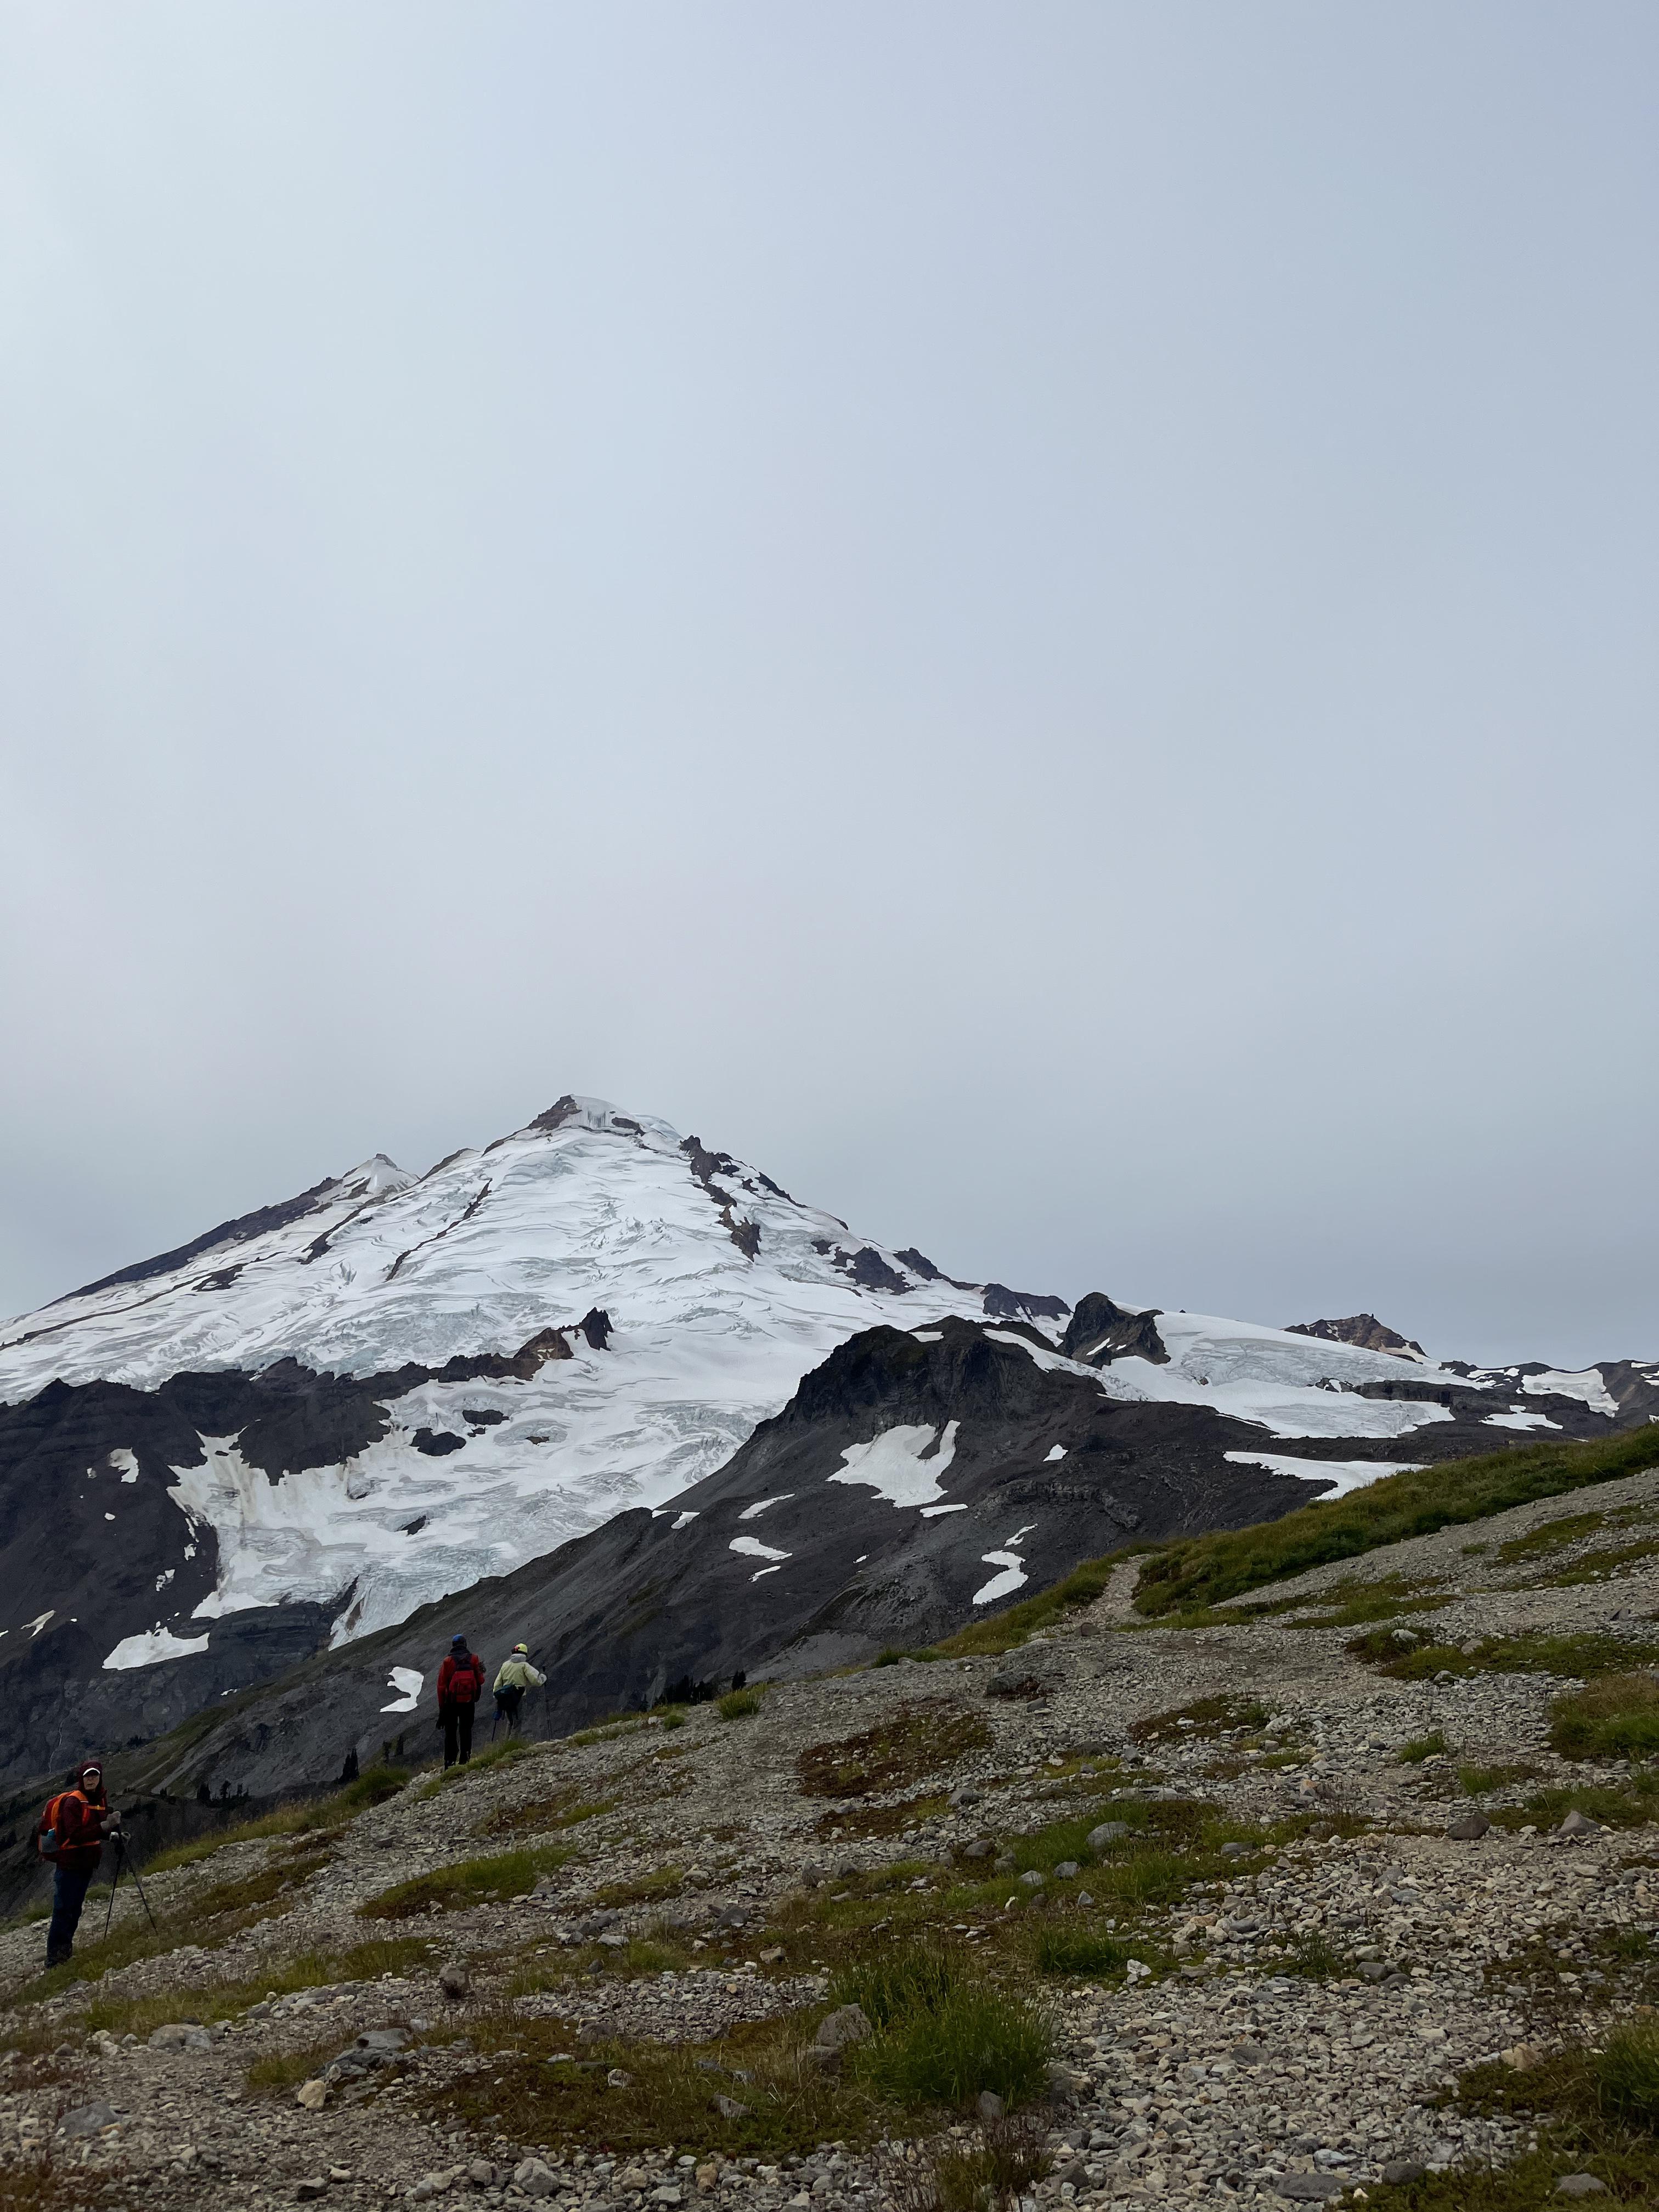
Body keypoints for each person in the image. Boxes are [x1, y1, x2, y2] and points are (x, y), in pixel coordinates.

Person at [38, 1760, 119, 1968]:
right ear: (81, 1779)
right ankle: (54, 1961)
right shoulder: (74, 1802)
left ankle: (64, 1955)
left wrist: (113, 1835)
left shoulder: (99, 1799)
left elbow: (94, 1831)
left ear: (100, 1777)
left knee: (73, 1911)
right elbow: (73, 1835)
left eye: (94, 1776)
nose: (90, 1779)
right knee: (64, 1911)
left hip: (86, 1864)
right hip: (70, 1865)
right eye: (87, 1776)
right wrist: (104, 1826)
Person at [436, 1633, 486, 1768]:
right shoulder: (474, 1659)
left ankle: (450, 1761)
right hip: (469, 1701)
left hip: (451, 1703)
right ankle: (465, 1758)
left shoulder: (447, 1662)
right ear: (465, 1644)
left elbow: (441, 1687)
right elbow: (481, 1680)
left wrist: (442, 1710)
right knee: (466, 1729)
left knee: (450, 1732)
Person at [492, 1643, 546, 1735]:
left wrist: (497, 1696)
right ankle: (514, 1744)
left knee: (510, 1721)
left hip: (505, 1697)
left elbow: (497, 1683)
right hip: (519, 1697)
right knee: (517, 1721)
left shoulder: (505, 1665)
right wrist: (543, 1678)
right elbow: (535, 1680)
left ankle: (507, 1745)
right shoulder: (524, 1665)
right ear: (525, 1654)